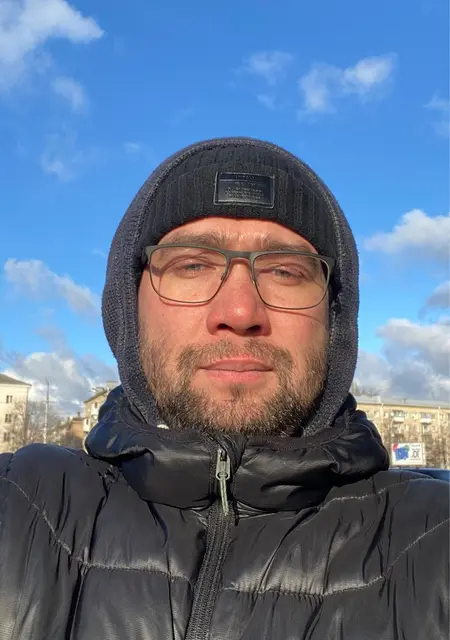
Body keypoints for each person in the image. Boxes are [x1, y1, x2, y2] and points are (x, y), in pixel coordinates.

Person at [0, 137, 448, 640]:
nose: (239, 312)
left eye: (285, 271)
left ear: (335, 321)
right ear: (128, 308)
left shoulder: (434, 537)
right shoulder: (17, 503)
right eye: (192, 265)